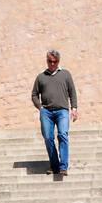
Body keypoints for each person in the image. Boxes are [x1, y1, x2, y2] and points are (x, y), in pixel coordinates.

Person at [31, 49, 77, 178]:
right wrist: (40, 107)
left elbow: (72, 92)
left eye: (55, 61)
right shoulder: (41, 77)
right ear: (47, 61)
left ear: (58, 61)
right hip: (46, 112)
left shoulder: (66, 74)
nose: (52, 64)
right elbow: (34, 94)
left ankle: (63, 167)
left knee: (62, 134)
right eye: (50, 61)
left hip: (62, 110)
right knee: (48, 138)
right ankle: (54, 165)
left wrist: (74, 108)